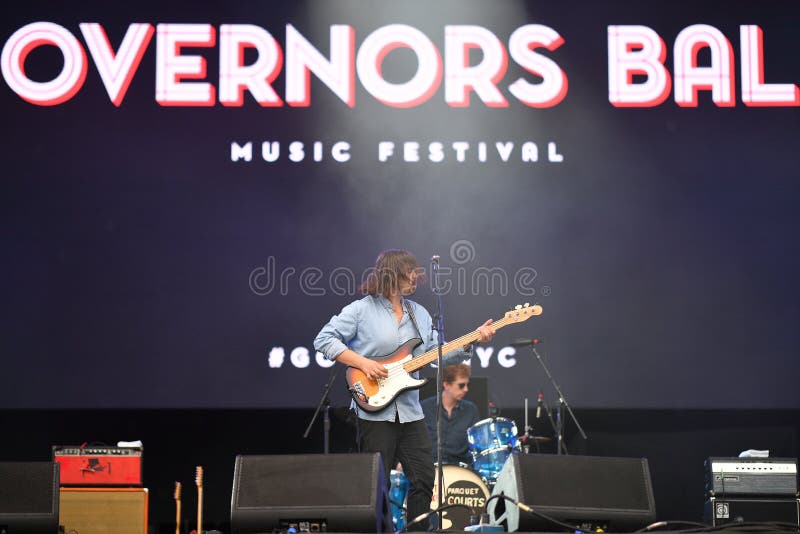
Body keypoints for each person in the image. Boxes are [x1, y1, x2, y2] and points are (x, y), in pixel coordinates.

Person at [314, 249, 495, 529]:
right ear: (392, 274)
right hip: (374, 411)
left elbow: (437, 354)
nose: (415, 279)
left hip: (410, 412)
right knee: (377, 485)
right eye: (410, 274)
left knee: (423, 477)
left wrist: (472, 341)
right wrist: (364, 363)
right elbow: (324, 339)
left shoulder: (418, 313)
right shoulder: (362, 310)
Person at [421, 363, 480, 466]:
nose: (466, 389)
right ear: (446, 385)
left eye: (467, 385)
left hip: (461, 470)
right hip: (429, 468)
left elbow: (477, 445)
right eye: (461, 385)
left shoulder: (471, 410)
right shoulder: (424, 408)